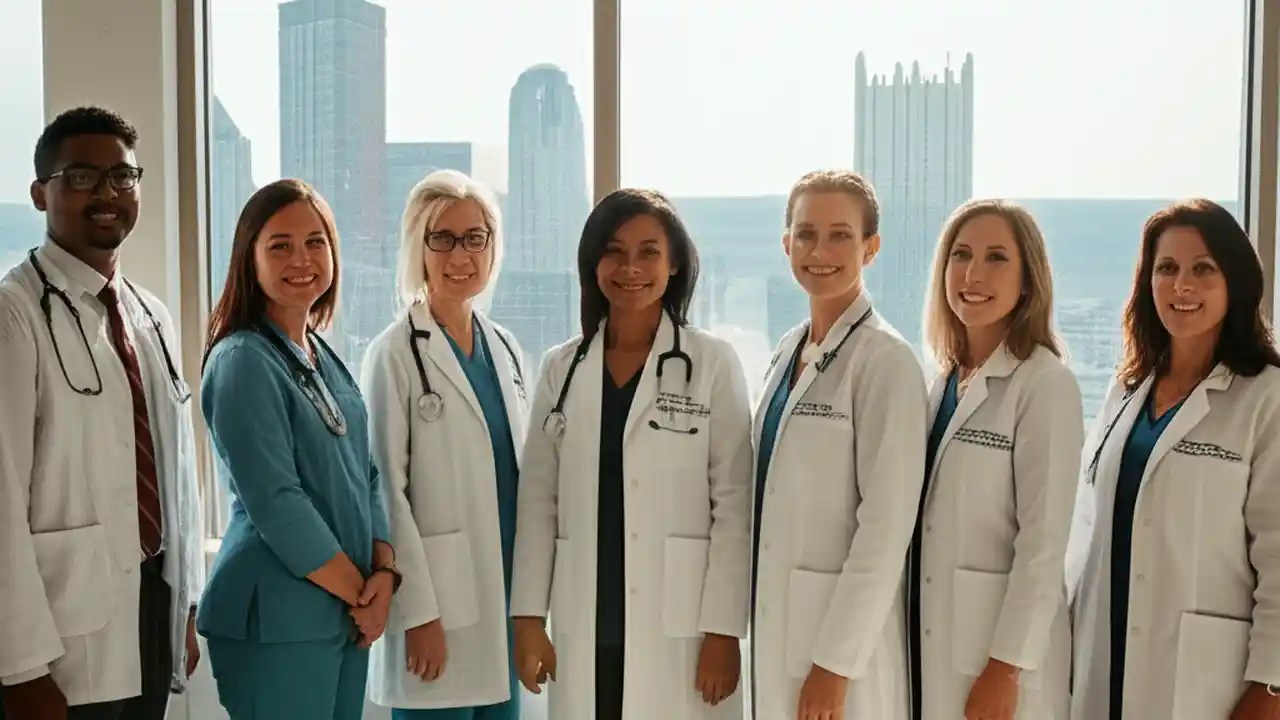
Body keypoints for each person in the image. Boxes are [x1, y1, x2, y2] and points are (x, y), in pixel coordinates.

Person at [510, 188, 753, 720]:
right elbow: (538, 502)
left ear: (674, 264)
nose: (630, 268)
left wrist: (723, 631)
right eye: (614, 252)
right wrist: (527, 617)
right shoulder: (562, 368)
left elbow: (734, 507)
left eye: (648, 252)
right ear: (592, 263)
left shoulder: (712, 363)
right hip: (586, 615)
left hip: (681, 624)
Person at [0, 106, 205, 720]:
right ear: (41, 194)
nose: (107, 194)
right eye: (82, 177)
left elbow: (177, 474)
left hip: (150, 611)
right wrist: (19, 667)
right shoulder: (14, 315)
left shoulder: (151, 317)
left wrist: (184, 607)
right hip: (59, 634)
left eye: (122, 177)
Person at [1067, 199, 1280, 720]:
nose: (1181, 286)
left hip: (1207, 680)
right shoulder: (1127, 388)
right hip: (1102, 659)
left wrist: (1270, 686)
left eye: (1202, 269)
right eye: (1167, 268)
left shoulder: (1266, 397)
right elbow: (1089, 528)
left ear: (1235, 282)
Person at [198, 178, 395, 719]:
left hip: (341, 612)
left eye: (315, 242)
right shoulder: (242, 360)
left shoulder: (321, 355)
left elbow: (367, 473)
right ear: (250, 259)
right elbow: (276, 501)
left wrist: (385, 573)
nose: (301, 259)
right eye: (280, 245)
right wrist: (361, 593)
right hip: (279, 619)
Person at [751, 170, 927, 720]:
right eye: (806, 234)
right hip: (779, 629)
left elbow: (885, 528)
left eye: (840, 236)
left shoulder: (886, 360)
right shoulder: (788, 349)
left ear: (870, 248)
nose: (819, 251)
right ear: (786, 244)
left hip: (839, 656)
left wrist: (835, 663)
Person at [362, 170, 529, 718]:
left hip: (504, 603)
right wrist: (417, 614)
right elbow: (386, 494)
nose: (461, 255)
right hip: (436, 613)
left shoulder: (505, 348)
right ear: (419, 247)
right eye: (443, 238)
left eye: (475, 238)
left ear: (492, 246)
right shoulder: (394, 354)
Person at [911, 200, 1080, 720]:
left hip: (1001, 665)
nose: (973, 273)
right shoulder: (942, 382)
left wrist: (1006, 667)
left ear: (1028, 280)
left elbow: (1043, 545)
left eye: (997, 258)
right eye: (961, 255)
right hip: (936, 642)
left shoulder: (1044, 384)